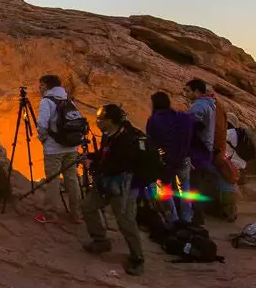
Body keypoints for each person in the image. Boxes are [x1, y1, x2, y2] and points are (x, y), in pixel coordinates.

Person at [81, 104, 147, 275]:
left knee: (125, 221)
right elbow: (105, 154)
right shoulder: (110, 134)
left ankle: (137, 258)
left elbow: (118, 164)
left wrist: (94, 164)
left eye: (100, 119)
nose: (97, 122)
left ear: (110, 120)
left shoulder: (126, 139)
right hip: (107, 182)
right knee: (88, 206)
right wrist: (91, 157)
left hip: (123, 185)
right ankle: (100, 240)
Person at [185, 78, 239, 222]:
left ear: (197, 92)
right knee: (204, 181)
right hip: (211, 150)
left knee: (192, 183)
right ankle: (202, 213)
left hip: (198, 151)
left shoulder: (198, 106)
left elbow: (191, 128)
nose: (185, 93)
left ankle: (194, 216)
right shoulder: (213, 105)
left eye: (188, 90)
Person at [34, 74, 83, 224]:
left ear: (47, 85)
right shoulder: (67, 100)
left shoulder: (47, 101)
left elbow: (42, 124)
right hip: (71, 147)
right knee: (72, 179)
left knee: (53, 180)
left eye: (41, 85)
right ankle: (76, 214)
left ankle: (49, 214)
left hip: (54, 149)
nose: (40, 88)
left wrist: (43, 139)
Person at [145, 91, 198, 224]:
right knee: (185, 188)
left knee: (165, 189)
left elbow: (152, 141)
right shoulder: (183, 117)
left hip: (166, 160)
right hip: (184, 158)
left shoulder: (154, 120)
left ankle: (173, 218)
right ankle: (187, 218)